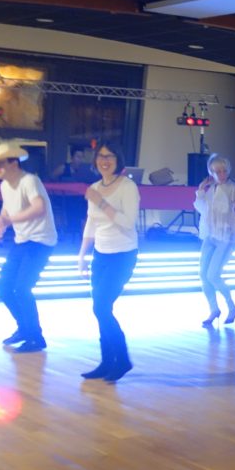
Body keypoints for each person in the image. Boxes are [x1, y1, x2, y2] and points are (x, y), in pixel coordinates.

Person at [77, 141, 140, 382]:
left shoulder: (127, 187)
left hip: (123, 254)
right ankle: (106, 361)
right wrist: (82, 255)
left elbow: (127, 222)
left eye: (110, 156)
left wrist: (102, 201)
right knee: (101, 308)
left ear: (118, 160)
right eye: (101, 156)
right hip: (100, 254)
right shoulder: (94, 187)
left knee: (101, 307)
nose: (105, 160)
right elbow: (91, 223)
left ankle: (121, 359)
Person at [0, 143, 57, 353]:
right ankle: (25, 329)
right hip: (22, 240)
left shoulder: (29, 180)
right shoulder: (5, 185)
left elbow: (38, 208)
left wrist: (8, 221)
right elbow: (7, 209)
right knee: (4, 287)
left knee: (21, 288)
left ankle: (35, 337)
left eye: (0, 164)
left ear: (14, 163)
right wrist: (2, 227)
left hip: (40, 241)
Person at [193, 153, 235, 327]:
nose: (221, 174)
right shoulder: (211, 189)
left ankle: (231, 307)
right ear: (211, 172)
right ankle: (214, 309)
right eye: (217, 171)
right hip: (211, 235)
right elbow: (203, 209)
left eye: (223, 171)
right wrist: (201, 190)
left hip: (226, 237)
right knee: (203, 274)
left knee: (213, 275)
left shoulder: (234, 189)